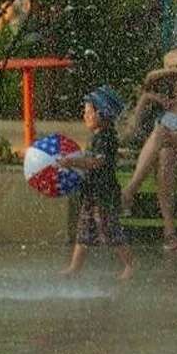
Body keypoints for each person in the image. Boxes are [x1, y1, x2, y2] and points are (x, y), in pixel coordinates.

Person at [120, 49, 177, 251]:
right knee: (165, 152)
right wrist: (145, 99)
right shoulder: (162, 109)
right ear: (171, 83)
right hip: (168, 160)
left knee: (162, 135)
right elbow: (128, 135)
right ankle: (170, 234)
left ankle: (130, 190)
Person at [58, 87, 132, 280]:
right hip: (92, 192)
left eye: (88, 112)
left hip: (104, 193)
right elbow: (89, 160)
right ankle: (75, 267)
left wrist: (72, 162)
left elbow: (96, 162)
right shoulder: (97, 136)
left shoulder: (106, 138)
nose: (84, 115)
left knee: (109, 228)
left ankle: (130, 265)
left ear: (101, 114)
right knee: (84, 229)